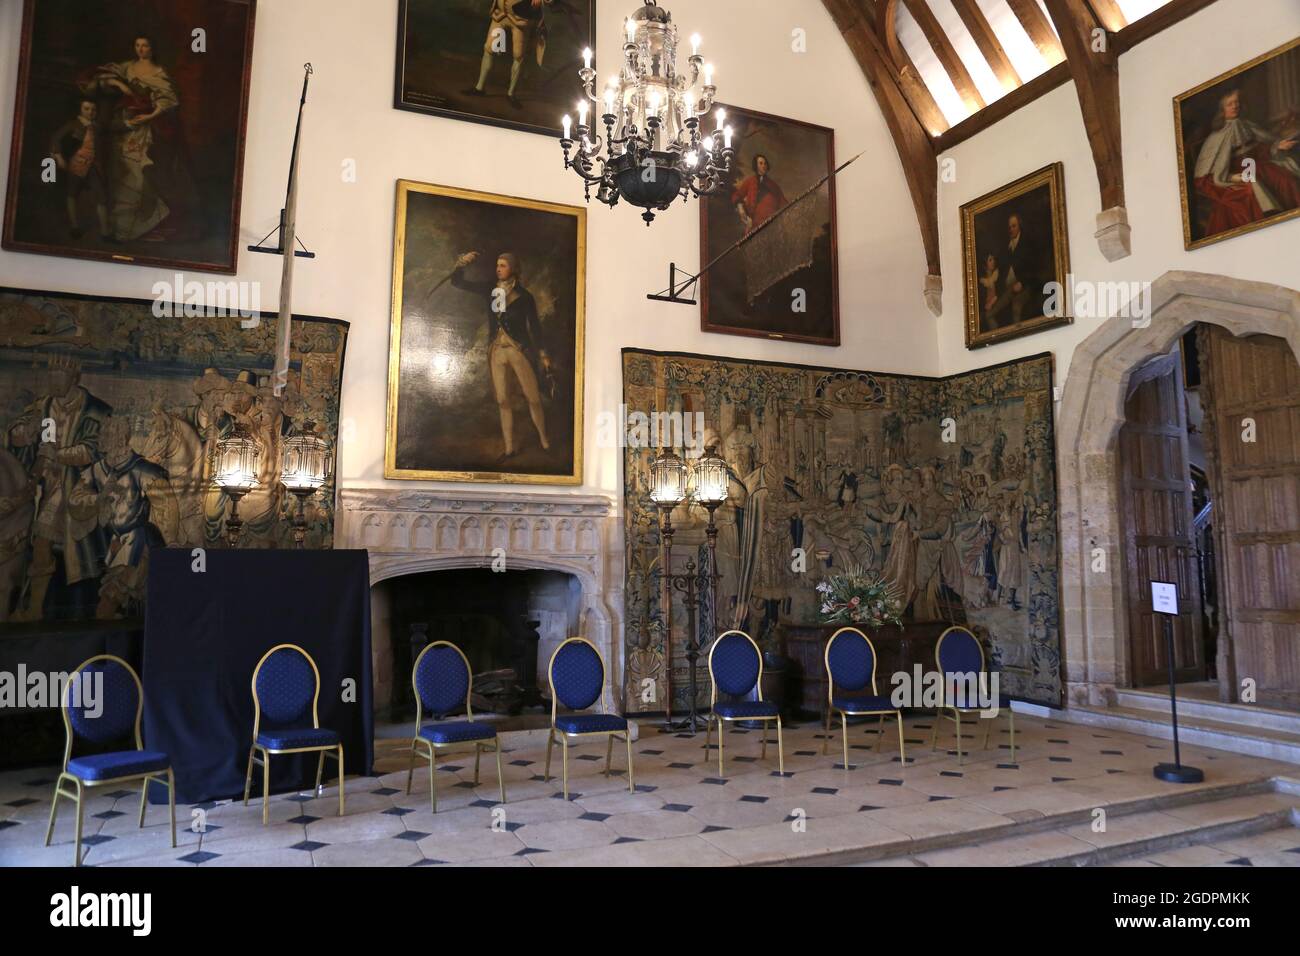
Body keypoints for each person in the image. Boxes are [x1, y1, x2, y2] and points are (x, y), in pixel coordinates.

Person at [7, 355, 110, 620]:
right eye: (50, 377)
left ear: (74, 379)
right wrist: (22, 433)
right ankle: (34, 606)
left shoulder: (96, 410)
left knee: (46, 543)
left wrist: (58, 455)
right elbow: (24, 432)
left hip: (78, 487)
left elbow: (92, 450)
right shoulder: (46, 406)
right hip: (49, 485)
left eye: (59, 377)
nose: (53, 382)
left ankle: (36, 610)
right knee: (36, 541)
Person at [79, 34, 199, 242]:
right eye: (137, 45)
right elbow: (98, 81)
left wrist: (149, 116)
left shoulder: (159, 73)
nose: (141, 49)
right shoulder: (126, 67)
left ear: (153, 49)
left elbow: (167, 101)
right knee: (119, 175)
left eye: (145, 46)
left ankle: (138, 227)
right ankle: (119, 228)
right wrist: (118, 83)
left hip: (143, 130)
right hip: (123, 128)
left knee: (138, 176)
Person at [451, 251, 551, 460]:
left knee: (532, 398)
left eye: (503, 265)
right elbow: (458, 283)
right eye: (497, 265)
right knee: (503, 400)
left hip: (517, 350)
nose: (498, 268)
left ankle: (543, 438)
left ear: (513, 268)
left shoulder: (525, 297)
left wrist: (542, 353)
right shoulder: (489, 289)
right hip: (496, 351)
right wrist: (461, 264)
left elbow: (535, 328)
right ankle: (509, 448)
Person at [1192, 88, 1300, 238]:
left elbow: (1259, 149)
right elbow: (1214, 170)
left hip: (1256, 165)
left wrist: (1277, 146)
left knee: (1285, 179)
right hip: (1236, 172)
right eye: (1230, 104)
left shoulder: (1247, 125)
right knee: (1252, 190)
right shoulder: (1216, 137)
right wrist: (1232, 177)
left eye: (1236, 102)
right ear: (1222, 109)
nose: (1235, 106)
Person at [465, 0, 553, 110]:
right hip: (500, 14)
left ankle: (511, 93)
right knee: (489, 48)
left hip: (520, 18)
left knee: (518, 55)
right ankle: (479, 88)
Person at [48, 99, 110, 240]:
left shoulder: (98, 127)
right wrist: (59, 157)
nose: (90, 112)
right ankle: (74, 227)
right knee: (72, 194)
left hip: (93, 165)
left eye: (93, 110)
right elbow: (55, 138)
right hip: (75, 164)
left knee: (101, 197)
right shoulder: (73, 124)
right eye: (86, 109)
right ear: (80, 110)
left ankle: (105, 233)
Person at [983, 213, 1045, 331]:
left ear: (1019, 226)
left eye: (1014, 226)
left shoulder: (1027, 244)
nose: (1011, 229)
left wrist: (1021, 282)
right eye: (1009, 227)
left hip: (1027, 285)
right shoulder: (1007, 248)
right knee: (990, 313)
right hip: (1009, 288)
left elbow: (1034, 268)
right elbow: (1002, 275)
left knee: (1016, 307)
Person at [731, 154, 788, 235]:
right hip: (754, 224)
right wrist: (740, 208)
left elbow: (783, 203)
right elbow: (737, 195)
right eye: (761, 163)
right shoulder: (750, 181)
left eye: (765, 163)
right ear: (756, 166)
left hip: (772, 225)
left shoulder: (773, 185)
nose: (764, 165)